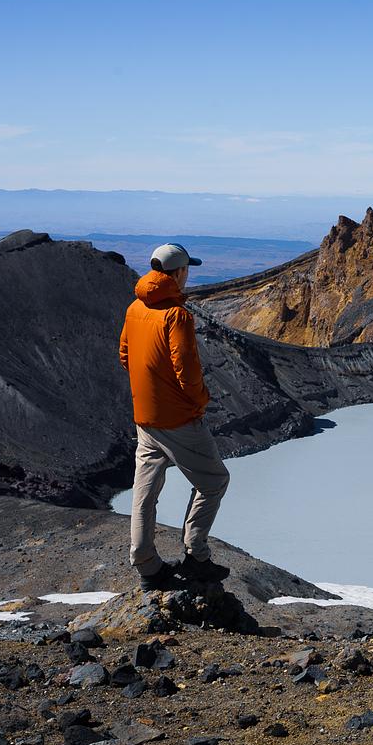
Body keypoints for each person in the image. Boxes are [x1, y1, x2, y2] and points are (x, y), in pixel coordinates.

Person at [119, 243, 232, 591]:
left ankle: (146, 565)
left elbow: (125, 355)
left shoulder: (135, 307)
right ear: (179, 272)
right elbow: (187, 370)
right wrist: (199, 402)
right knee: (214, 481)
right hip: (178, 419)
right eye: (187, 270)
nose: (188, 276)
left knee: (145, 491)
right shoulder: (176, 315)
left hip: (145, 417)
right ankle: (196, 556)